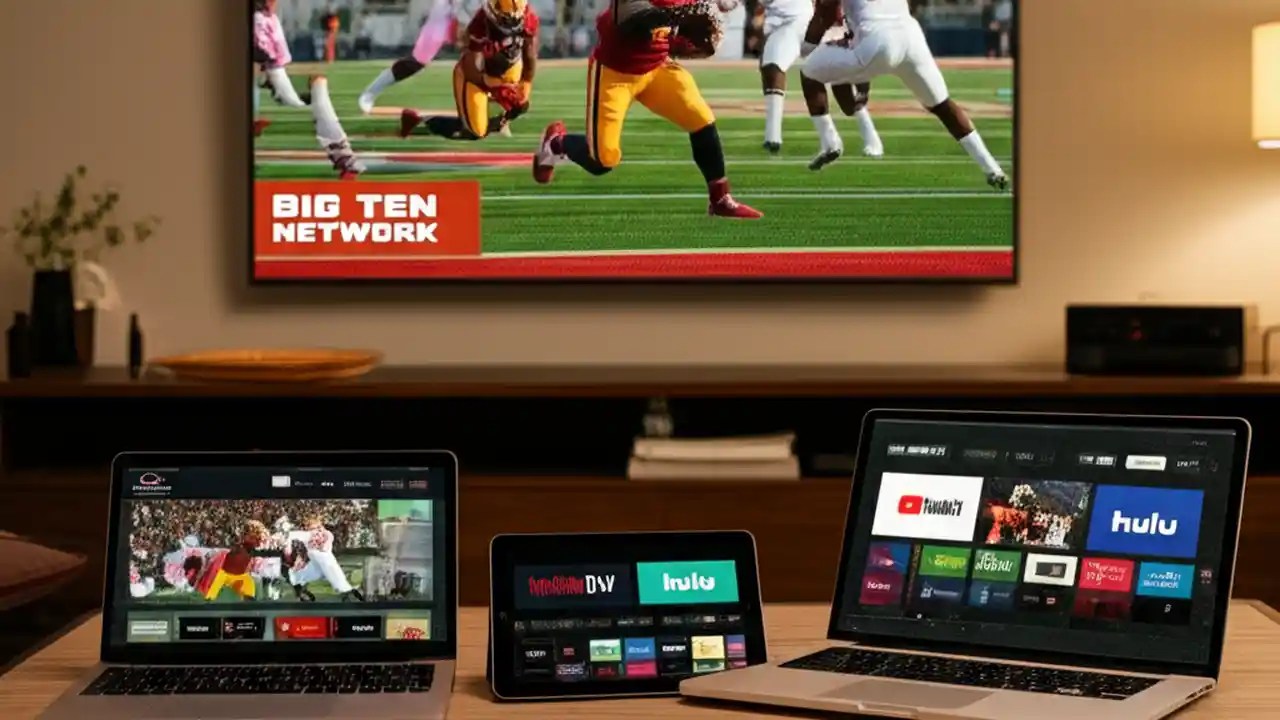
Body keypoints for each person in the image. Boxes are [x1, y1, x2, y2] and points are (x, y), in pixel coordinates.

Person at [532, 0, 763, 219]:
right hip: (616, 73)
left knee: (701, 118)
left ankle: (720, 199)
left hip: (656, 68)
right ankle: (556, 142)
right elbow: (632, 22)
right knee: (603, 159)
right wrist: (674, 19)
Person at [799, 0, 1008, 189]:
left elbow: (825, 14)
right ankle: (992, 169)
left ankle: (830, 142)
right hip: (911, 37)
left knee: (809, 73)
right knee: (942, 105)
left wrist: (807, 45)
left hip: (877, 40)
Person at [253, 0, 365, 180]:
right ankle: (343, 155)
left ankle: (343, 154)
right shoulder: (259, 20)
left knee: (317, 85)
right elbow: (265, 59)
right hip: (270, 84)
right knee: (317, 88)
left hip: (276, 81)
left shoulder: (269, 18)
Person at [397, 0, 539, 140]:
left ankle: (497, 122)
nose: (511, 21)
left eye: (515, 15)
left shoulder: (528, 16)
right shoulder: (480, 24)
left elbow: (529, 53)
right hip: (473, 75)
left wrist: (525, 85)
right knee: (475, 131)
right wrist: (494, 86)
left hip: (507, 69)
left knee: (520, 104)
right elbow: (471, 68)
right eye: (505, 16)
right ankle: (419, 120)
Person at [357, 0, 455, 114]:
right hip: (448, 13)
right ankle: (370, 93)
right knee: (416, 62)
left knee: (477, 56)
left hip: (472, 11)